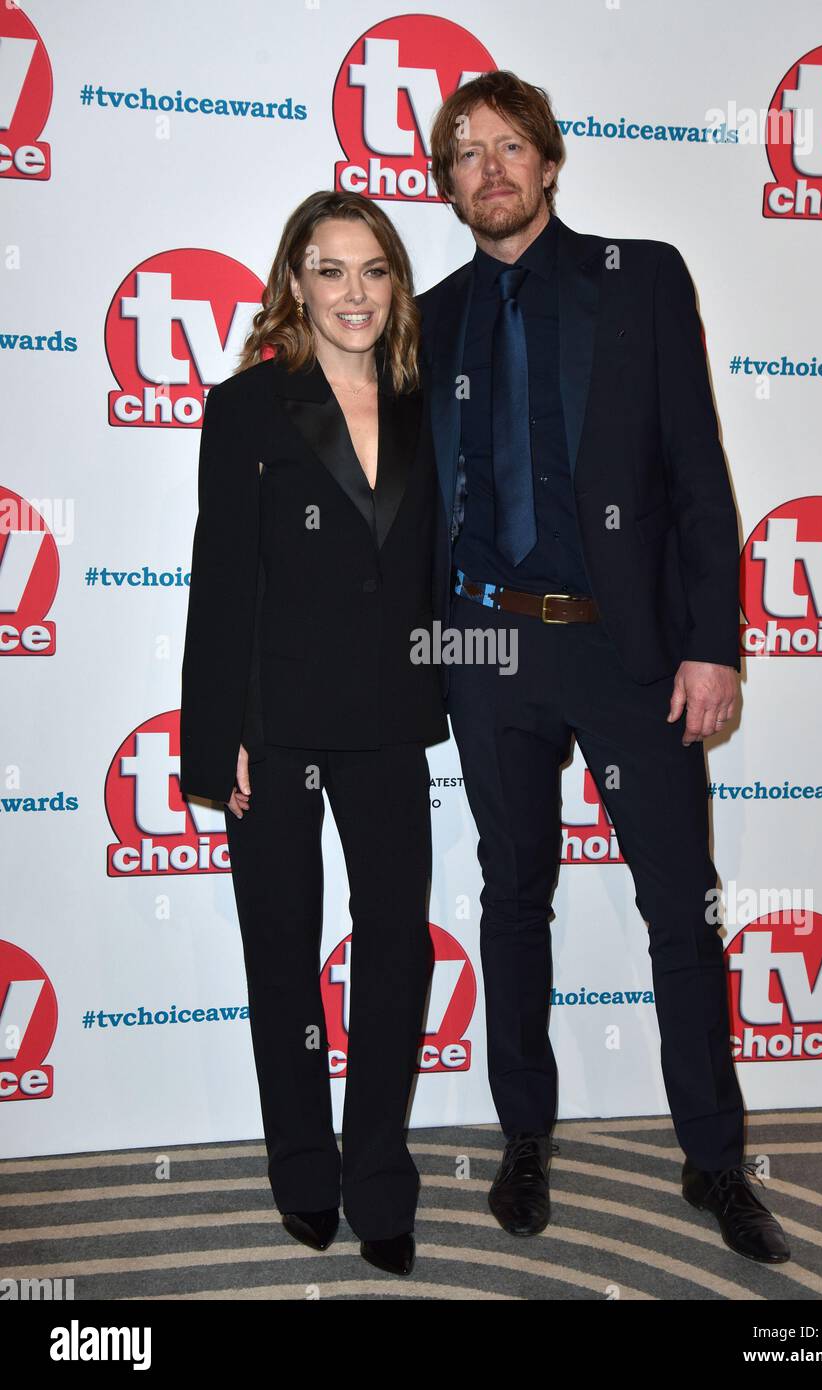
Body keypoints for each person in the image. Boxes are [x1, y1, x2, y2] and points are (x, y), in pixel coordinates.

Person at [416, 70, 790, 1263]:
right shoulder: (427, 316)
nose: (491, 168)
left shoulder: (642, 278)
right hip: (486, 643)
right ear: (447, 183)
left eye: (509, 144)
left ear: (549, 158)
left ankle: (714, 1160)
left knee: (679, 905)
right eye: (466, 152)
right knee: (511, 897)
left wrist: (711, 641)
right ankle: (525, 1135)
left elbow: (695, 468)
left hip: (627, 648)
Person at [179, 190, 448, 1278]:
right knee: (281, 952)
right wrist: (217, 737)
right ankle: (301, 1168)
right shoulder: (248, 406)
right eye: (330, 270)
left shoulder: (429, 405)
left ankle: (379, 1173)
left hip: (390, 718)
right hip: (276, 725)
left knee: (396, 948)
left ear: (395, 285)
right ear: (296, 281)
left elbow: (437, 569)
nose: (353, 293)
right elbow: (220, 578)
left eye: (373, 270)